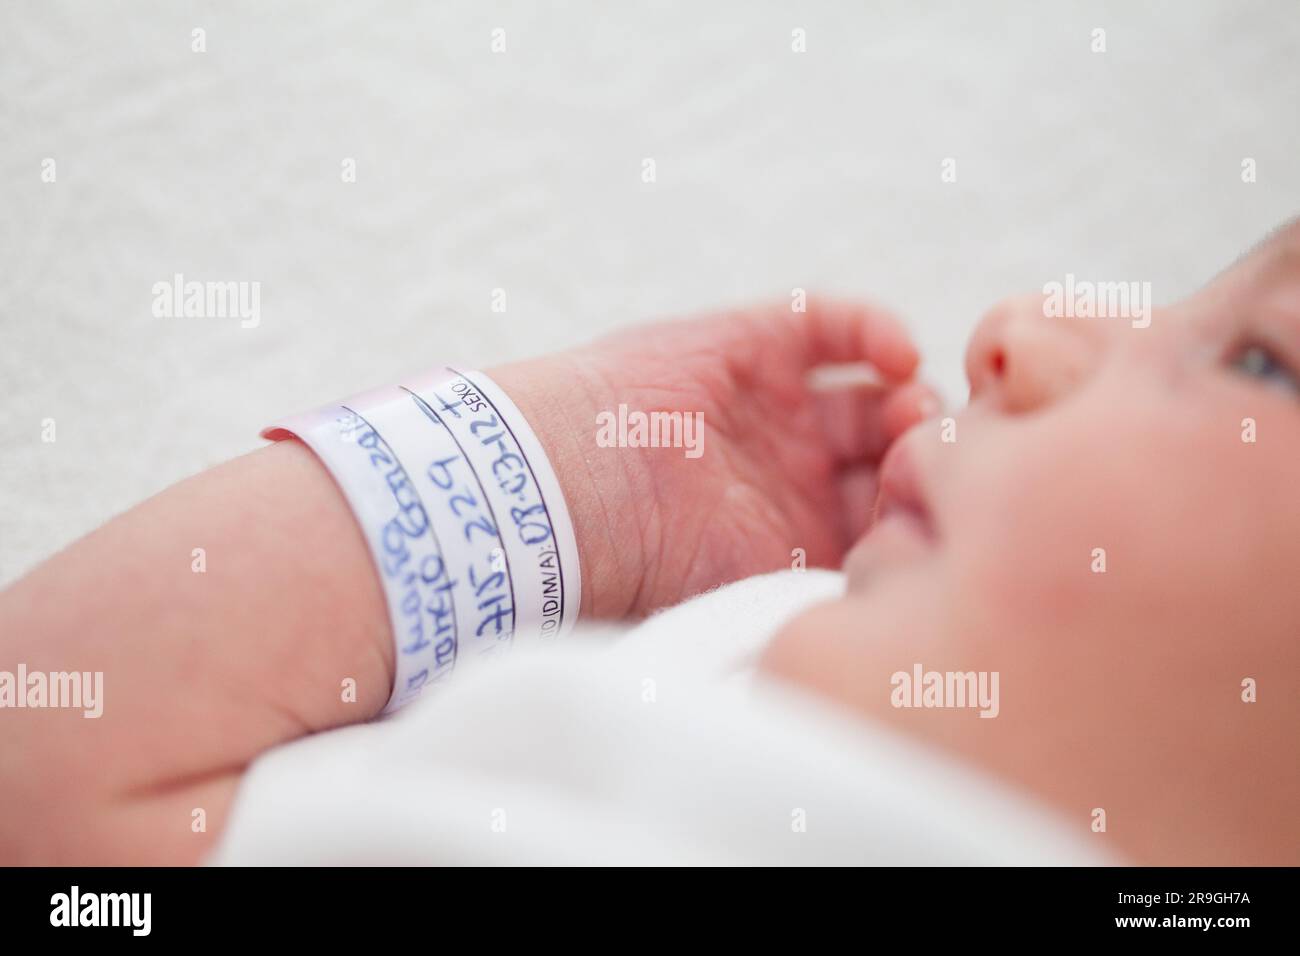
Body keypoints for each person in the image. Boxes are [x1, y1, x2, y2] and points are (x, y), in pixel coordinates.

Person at [2, 222, 1297, 865]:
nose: (1024, 326)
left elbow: (44, 775)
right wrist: (568, 489)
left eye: (1261, 361)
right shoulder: (675, 730)